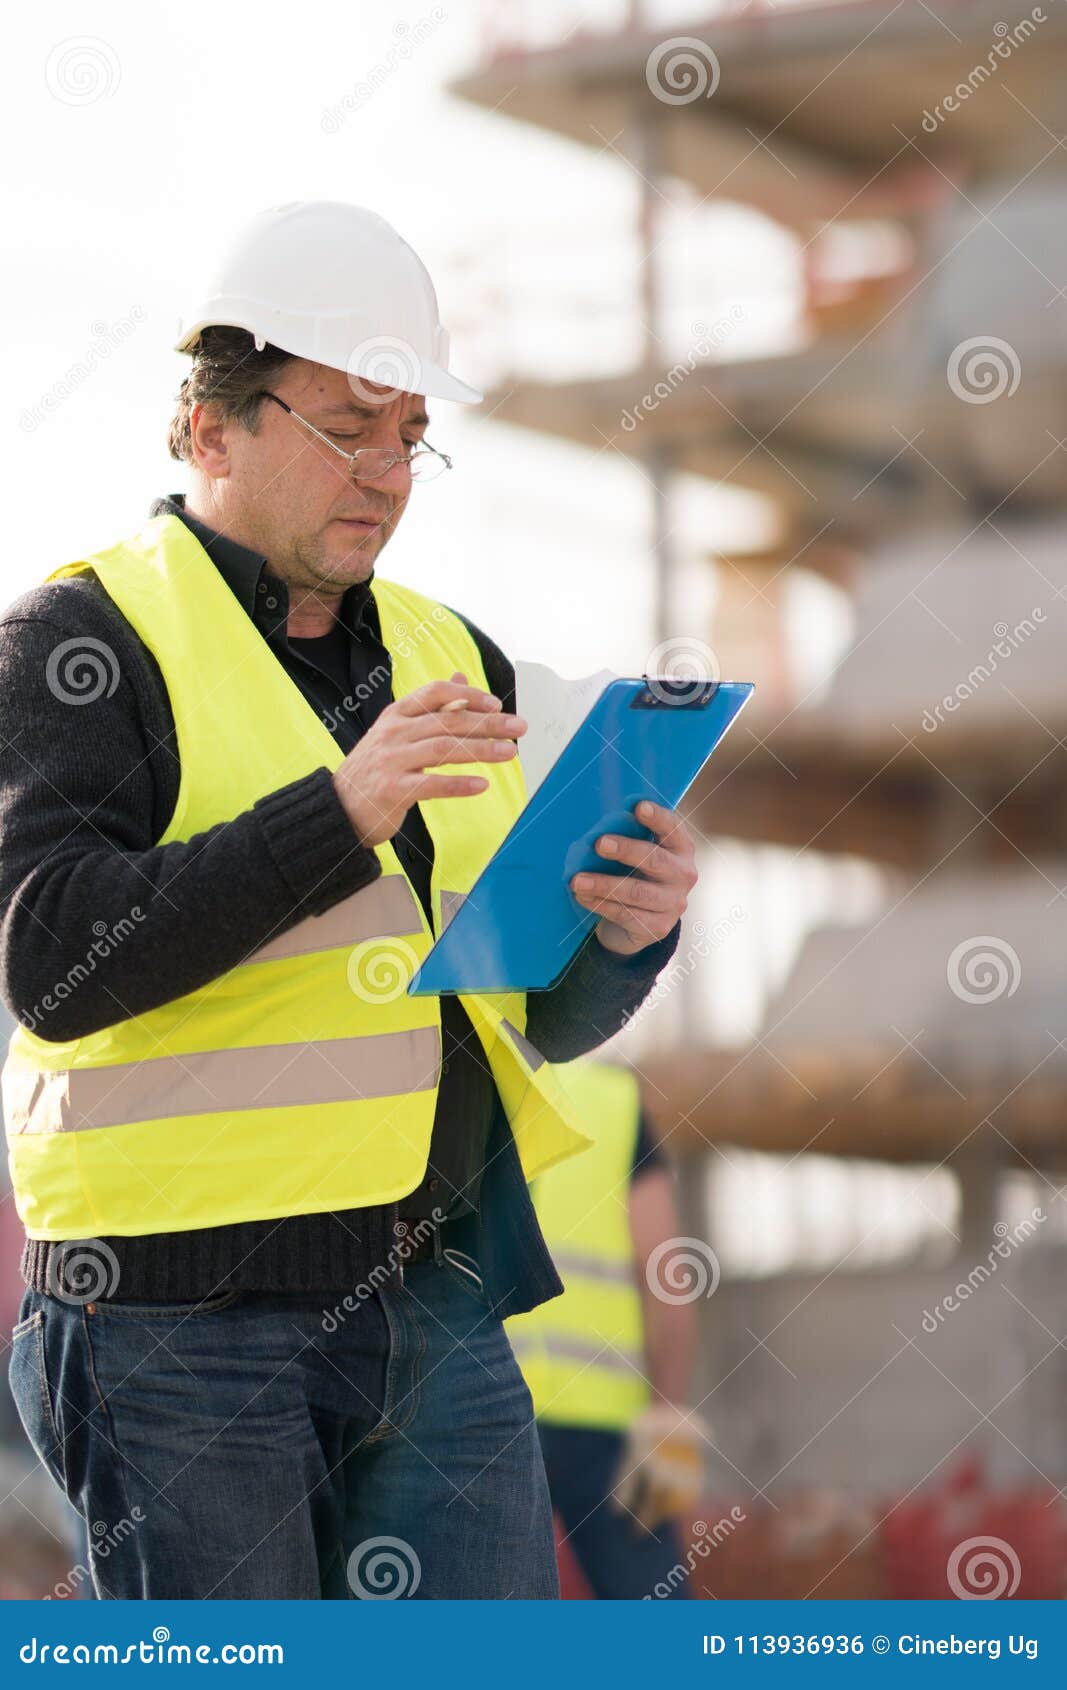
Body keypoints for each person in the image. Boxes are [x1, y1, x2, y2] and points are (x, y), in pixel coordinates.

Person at [0, 201, 699, 1600]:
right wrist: (335, 815)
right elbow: (50, 959)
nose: (385, 469)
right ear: (211, 429)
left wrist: (628, 931)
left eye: (407, 432)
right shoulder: (82, 642)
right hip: (172, 1319)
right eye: (342, 426)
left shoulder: (457, 654)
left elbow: (527, 1012)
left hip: (433, 1298)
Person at [507, 1059, 708, 1600]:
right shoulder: (613, 1101)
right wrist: (667, 1417)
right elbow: (667, 1276)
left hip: (489, 1409)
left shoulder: (467, 1078)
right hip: (605, 1427)